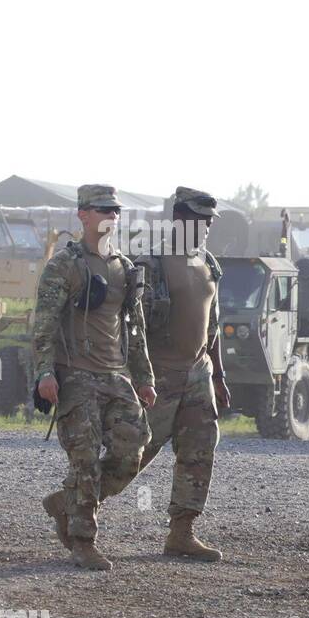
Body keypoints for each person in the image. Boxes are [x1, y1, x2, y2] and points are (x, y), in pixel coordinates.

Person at [34, 185, 155, 570]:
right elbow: (45, 324)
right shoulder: (65, 265)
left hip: (114, 375)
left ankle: (65, 501)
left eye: (115, 211)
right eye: (102, 210)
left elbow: (135, 330)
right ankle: (83, 541)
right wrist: (44, 372)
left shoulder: (124, 267)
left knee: (132, 450)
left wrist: (144, 378)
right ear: (83, 215)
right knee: (84, 458)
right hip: (76, 376)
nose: (110, 217)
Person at [135, 187, 229, 561]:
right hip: (160, 374)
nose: (206, 226)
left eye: (209, 220)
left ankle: (181, 532)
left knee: (199, 448)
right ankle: (77, 507)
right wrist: (137, 376)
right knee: (134, 451)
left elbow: (215, 325)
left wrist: (219, 376)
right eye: (199, 218)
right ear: (179, 219)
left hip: (198, 373)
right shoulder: (150, 264)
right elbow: (133, 329)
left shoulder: (208, 263)